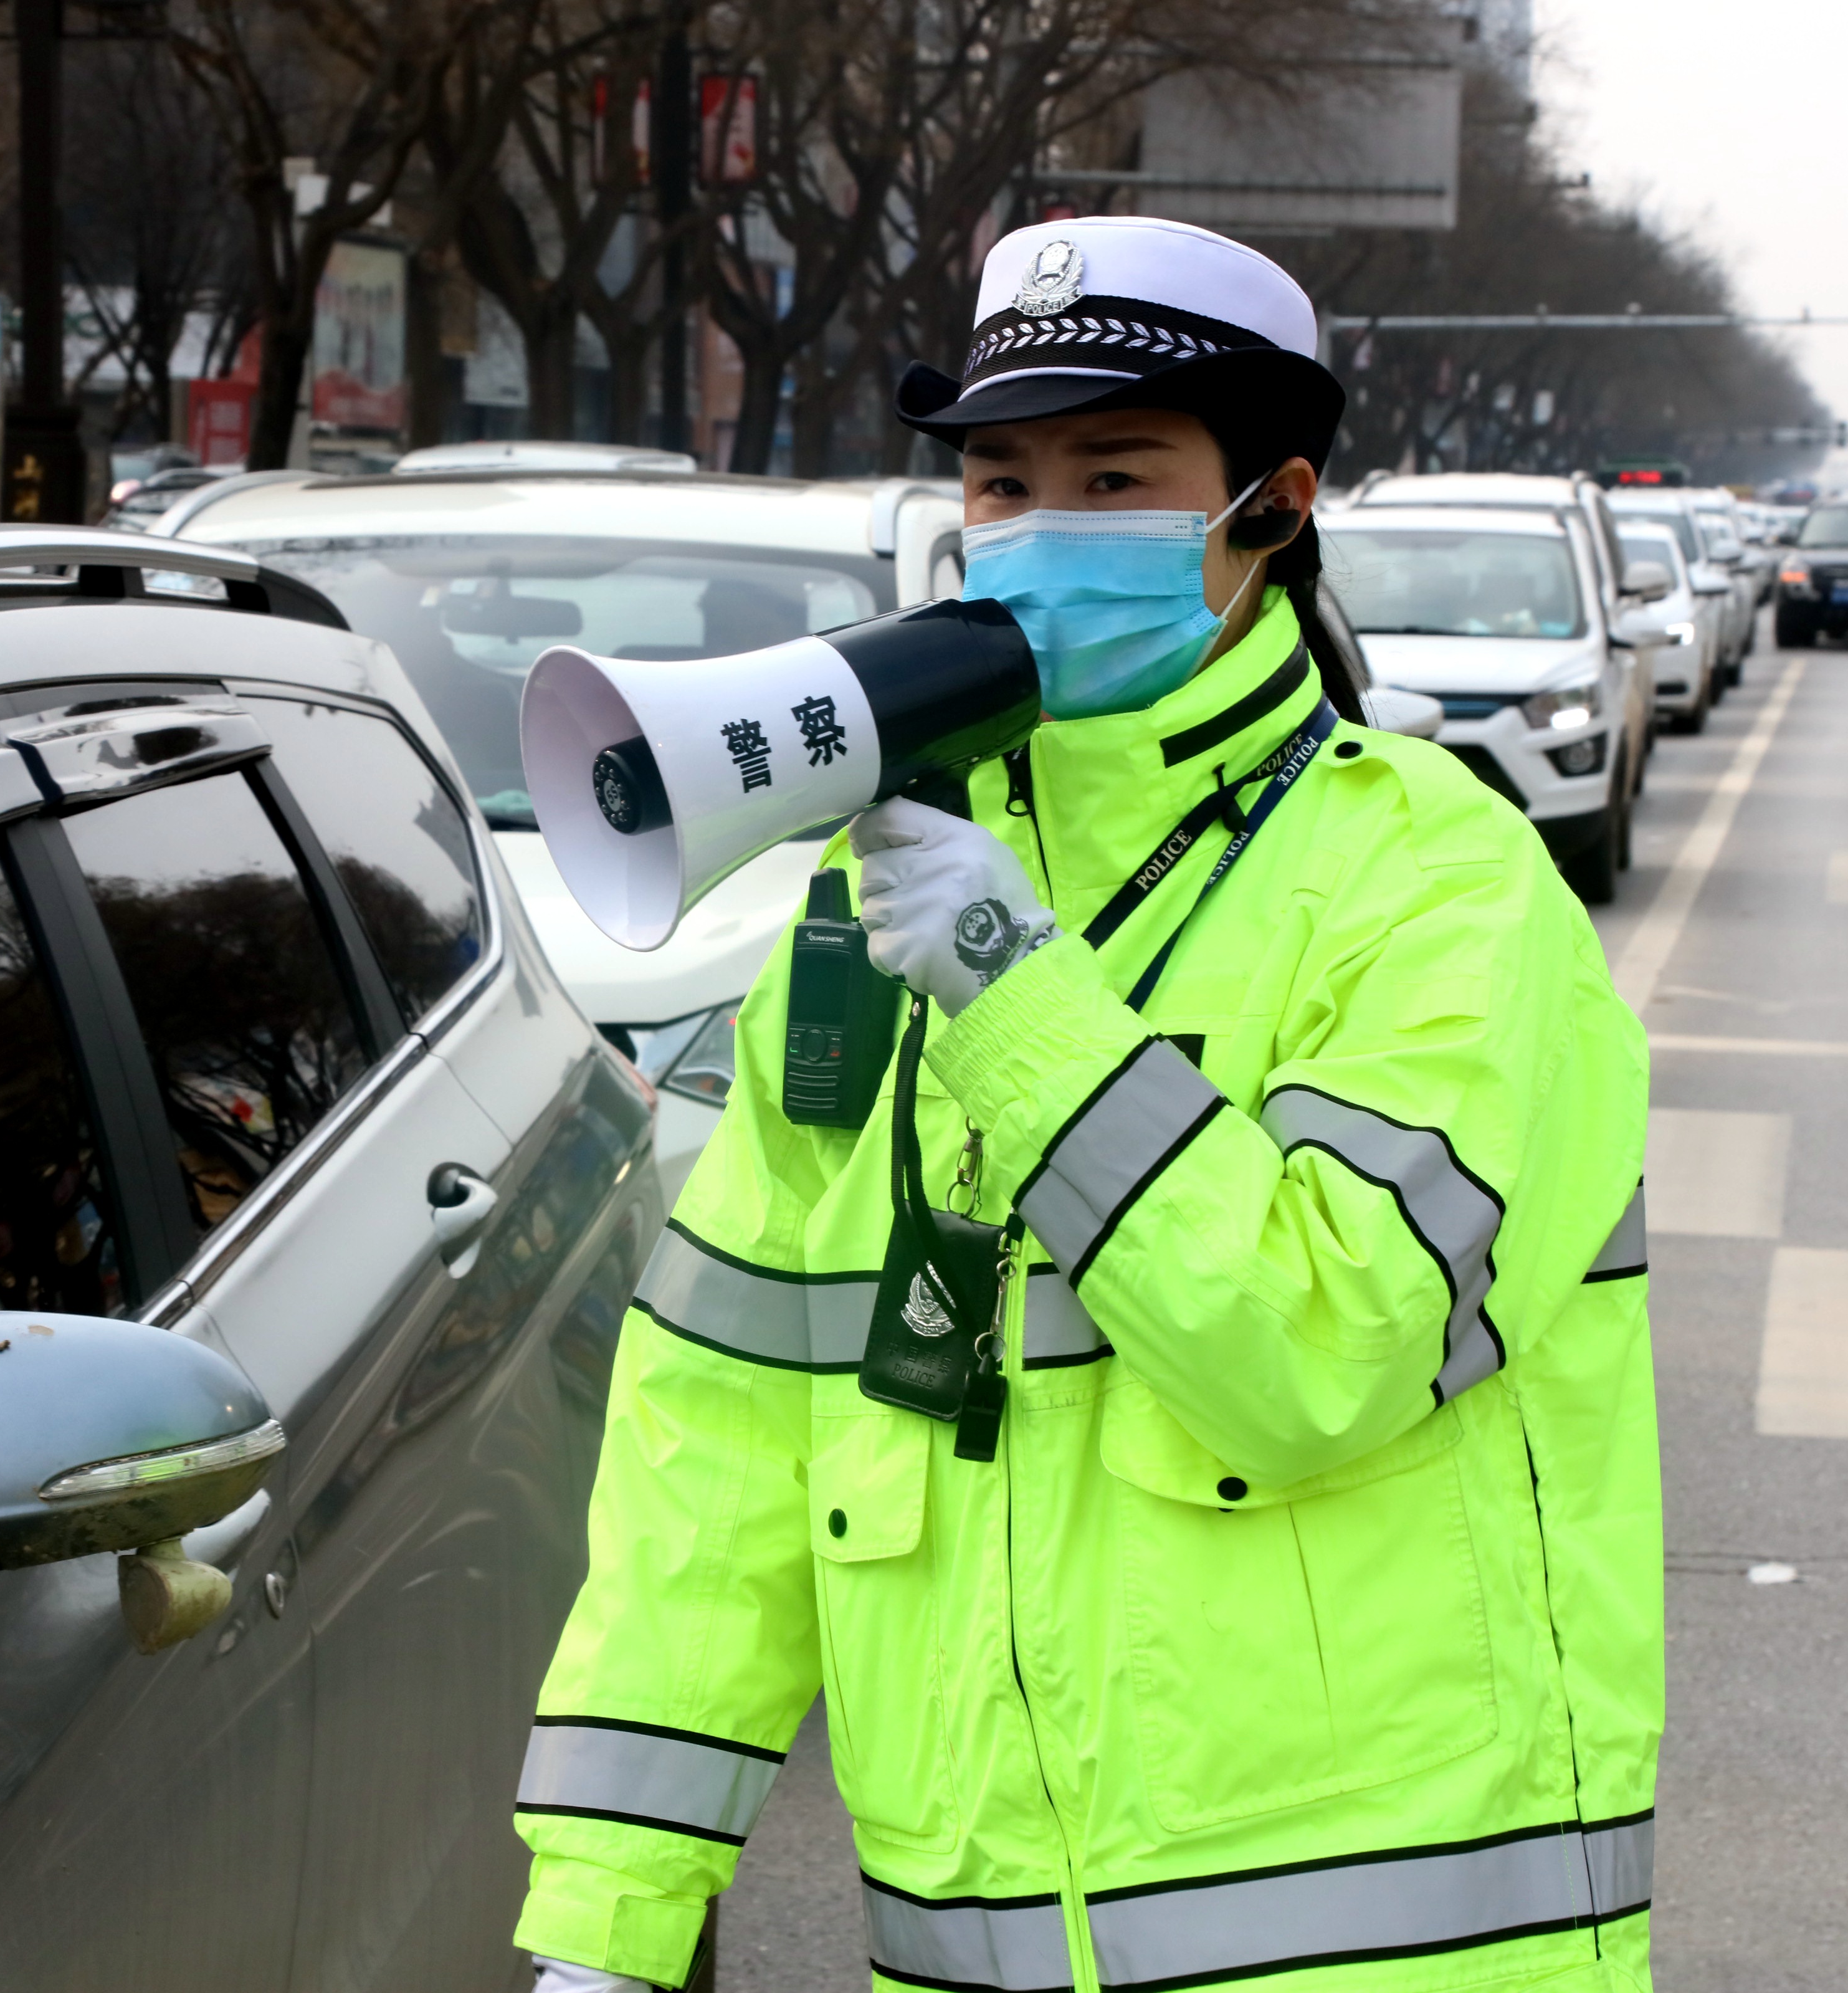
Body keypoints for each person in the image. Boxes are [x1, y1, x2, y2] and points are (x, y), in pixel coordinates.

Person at [513, 216, 1658, 1993]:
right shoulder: (873, 907)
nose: (1039, 529)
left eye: (1112, 474)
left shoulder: (1441, 885)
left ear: (1267, 506)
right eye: (998, 481)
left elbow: (1325, 1345)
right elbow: (721, 1427)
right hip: (965, 1940)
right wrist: (607, 1917)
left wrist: (1014, 988)